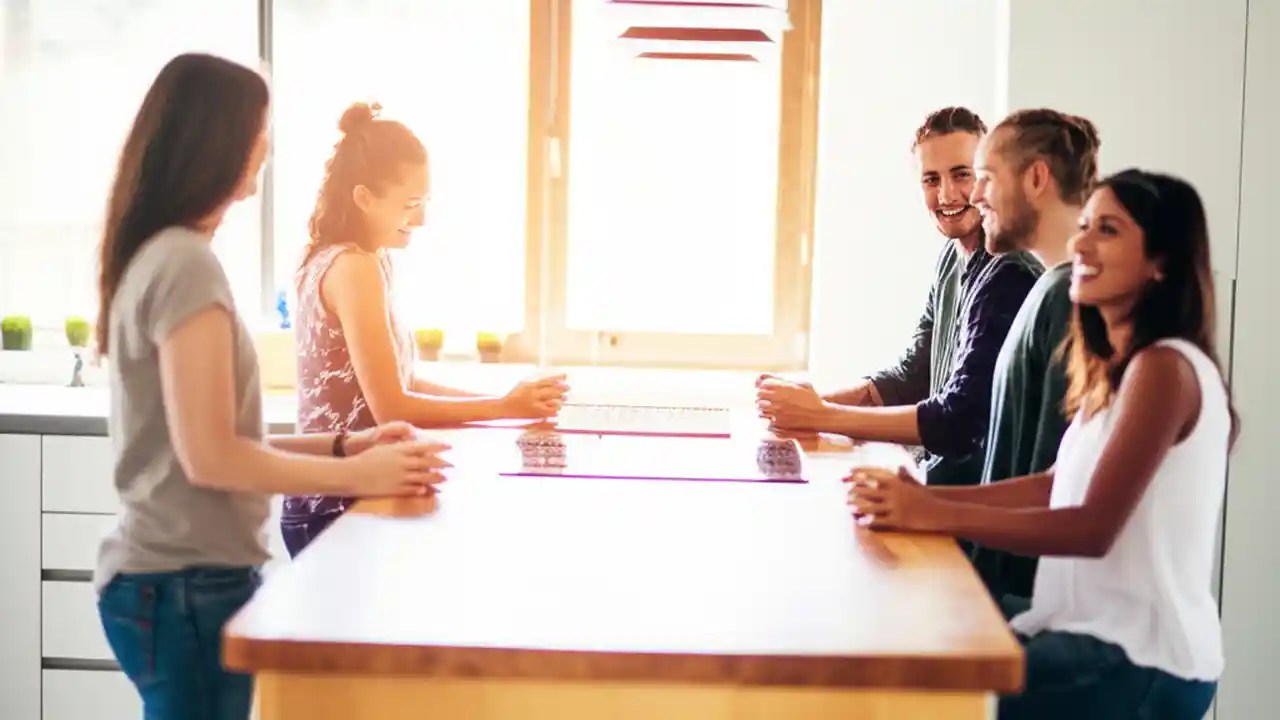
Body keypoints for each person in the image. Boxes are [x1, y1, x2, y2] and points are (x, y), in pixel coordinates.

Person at [93, 54, 448, 720]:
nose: (269, 146)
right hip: (183, 584)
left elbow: (225, 441)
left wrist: (348, 446)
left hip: (171, 581)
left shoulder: (162, 254)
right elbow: (213, 459)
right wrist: (363, 475)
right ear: (220, 140)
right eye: (261, 130)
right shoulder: (185, 266)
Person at [848, 170, 1230, 719]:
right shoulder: (1119, 369)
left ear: (1160, 263)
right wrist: (923, 503)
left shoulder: (1164, 368)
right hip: (1090, 637)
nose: (1081, 243)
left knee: (924, 697)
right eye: (1083, 226)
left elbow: (1092, 526)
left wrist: (933, 512)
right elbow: (1055, 486)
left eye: (1108, 230)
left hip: (1139, 660)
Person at [281, 102, 568, 556]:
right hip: (334, 504)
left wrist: (512, 403)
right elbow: (393, 405)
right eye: (410, 204)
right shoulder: (352, 267)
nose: (421, 219)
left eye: (425, 202)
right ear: (363, 198)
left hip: (352, 491)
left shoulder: (370, 259)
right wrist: (503, 407)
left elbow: (403, 379)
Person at [757, 107, 1041, 486]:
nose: (947, 194)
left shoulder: (1010, 274)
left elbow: (958, 420)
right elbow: (914, 376)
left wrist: (820, 414)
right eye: (931, 179)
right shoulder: (951, 258)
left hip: (977, 506)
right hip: (937, 484)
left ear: (988, 178)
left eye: (961, 175)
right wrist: (806, 404)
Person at [966, 108, 1101, 601]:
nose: (975, 196)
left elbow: (1053, 482)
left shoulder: (1071, 302)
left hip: (1027, 607)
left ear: (1037, 177)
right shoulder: (1050, 287)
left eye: (985, 177)